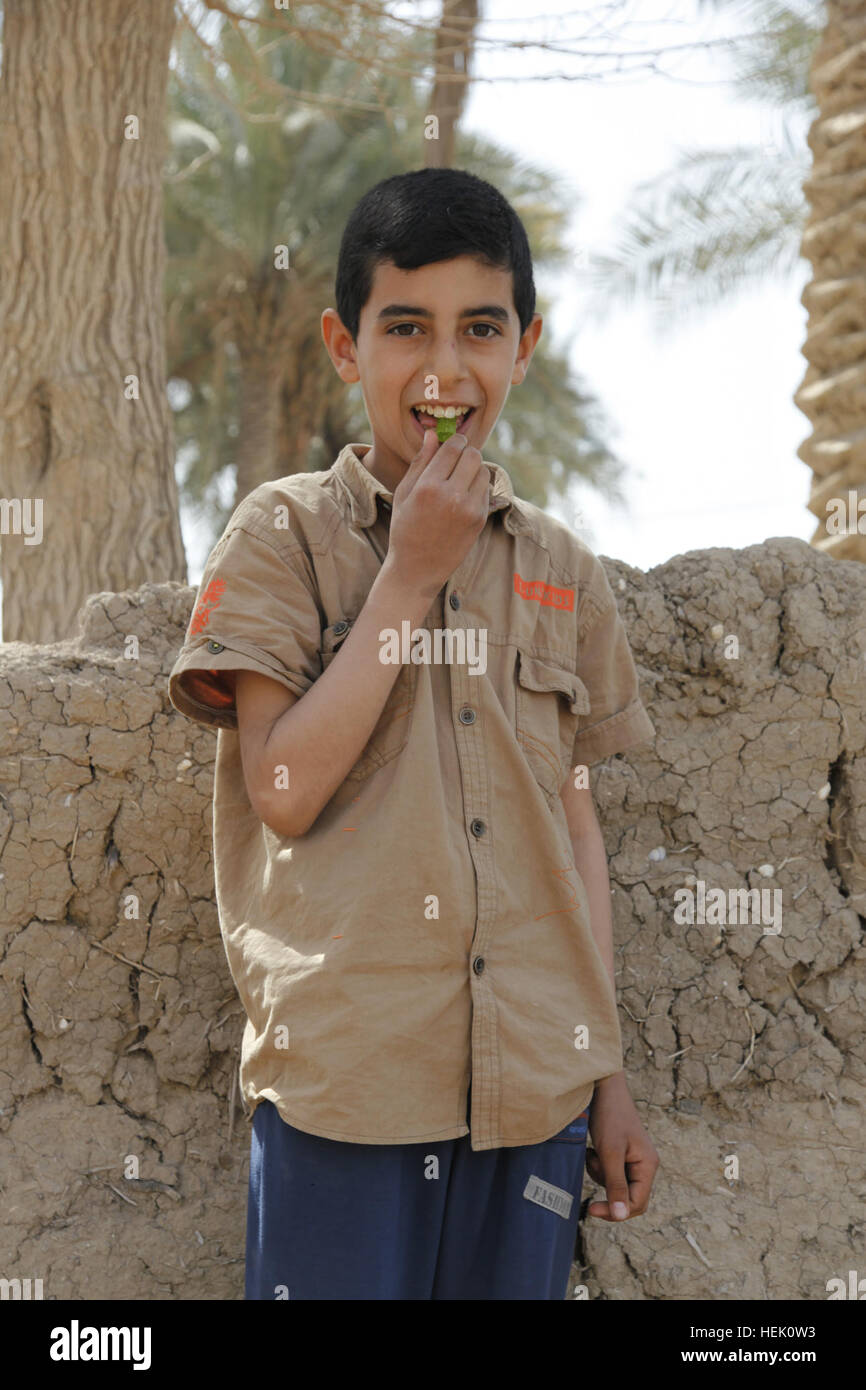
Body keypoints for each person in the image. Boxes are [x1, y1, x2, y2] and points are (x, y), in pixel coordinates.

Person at [168, 166, 660, 1300]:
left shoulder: (561, 571)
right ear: (347, 348)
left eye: (478, 329)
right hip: (352, 1087)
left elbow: (572, 833)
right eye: (406, 328)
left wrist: (605, 1073)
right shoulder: (284, 534)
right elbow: (282, 787)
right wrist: (409, 580)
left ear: (522, 347)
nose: (444, 367)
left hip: (532, 1100)